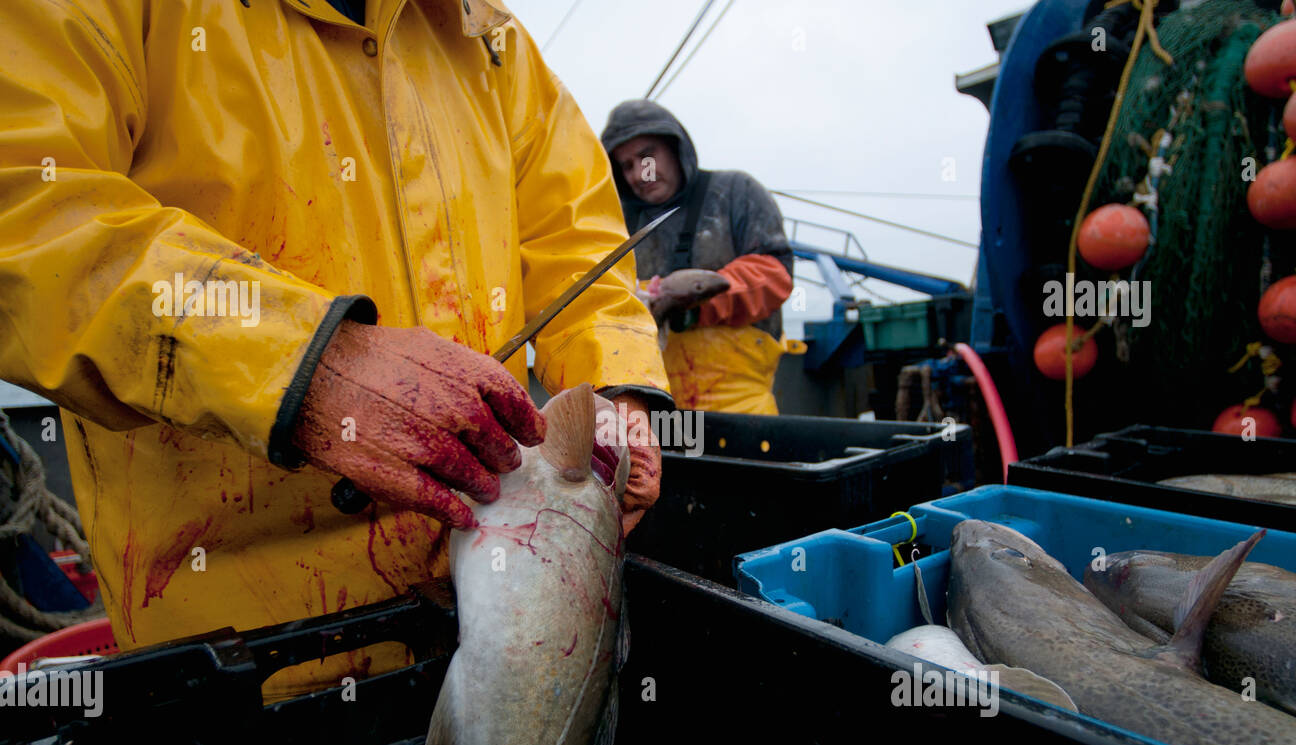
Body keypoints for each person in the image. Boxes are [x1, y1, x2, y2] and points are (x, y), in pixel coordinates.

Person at [0, 1, 672, 698]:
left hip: (488, 617)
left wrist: (615, 389)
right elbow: (26, 210)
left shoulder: (491, 38)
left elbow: (579, 244)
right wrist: (300, 365)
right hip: (245, 669)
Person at [601, 100, 795, 415]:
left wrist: (691, 302)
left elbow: (774, 276)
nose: (639, 173)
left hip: (740, 409)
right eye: (626, 166)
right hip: (653, 412)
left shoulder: (736, 192)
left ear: (675, 148)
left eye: (647, 156)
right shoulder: (614, 222)